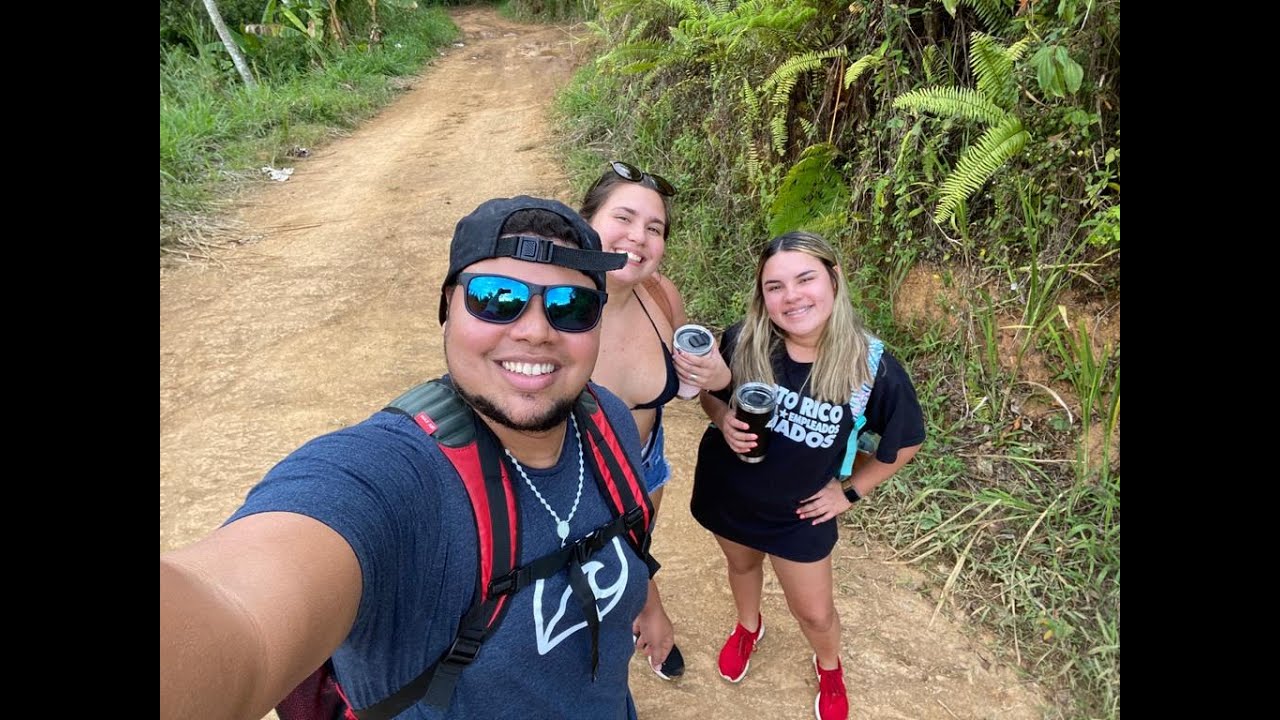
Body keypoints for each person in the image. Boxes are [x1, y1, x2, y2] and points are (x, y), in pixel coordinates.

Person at [160, 196, 667, 720]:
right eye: (497, 298)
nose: (536, 331)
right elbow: (237, 614)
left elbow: (624, 542)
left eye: (570, 306)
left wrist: (648, 606)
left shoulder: (607, 420)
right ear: (447, 306)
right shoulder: (389, 478)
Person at [687, 231, 926, 720]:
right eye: (774, 286)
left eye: (805, 279)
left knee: (815, 612)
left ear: (834, 279)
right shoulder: (744, 339)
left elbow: (905, 443)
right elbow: (711, 394)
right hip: (728, 493)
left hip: (800, 516)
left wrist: (849, 492)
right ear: (763, 297)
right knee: (742, 566)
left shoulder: (869, 366)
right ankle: (748, 626)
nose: (791, 296)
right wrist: (719, 417)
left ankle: (830, 666)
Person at [578, 161, 730, 681]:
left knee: (636, 546)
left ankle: (635, 600)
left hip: (646, 463)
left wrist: (714, 375)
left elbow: (692, 379)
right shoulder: (553, 308)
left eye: (655, 228)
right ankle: (639, 618)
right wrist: (652, 600)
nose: (638, 237)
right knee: (582, 582)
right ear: (586, 221)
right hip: (574, 478)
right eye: (623, 217)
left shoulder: (662, 296)